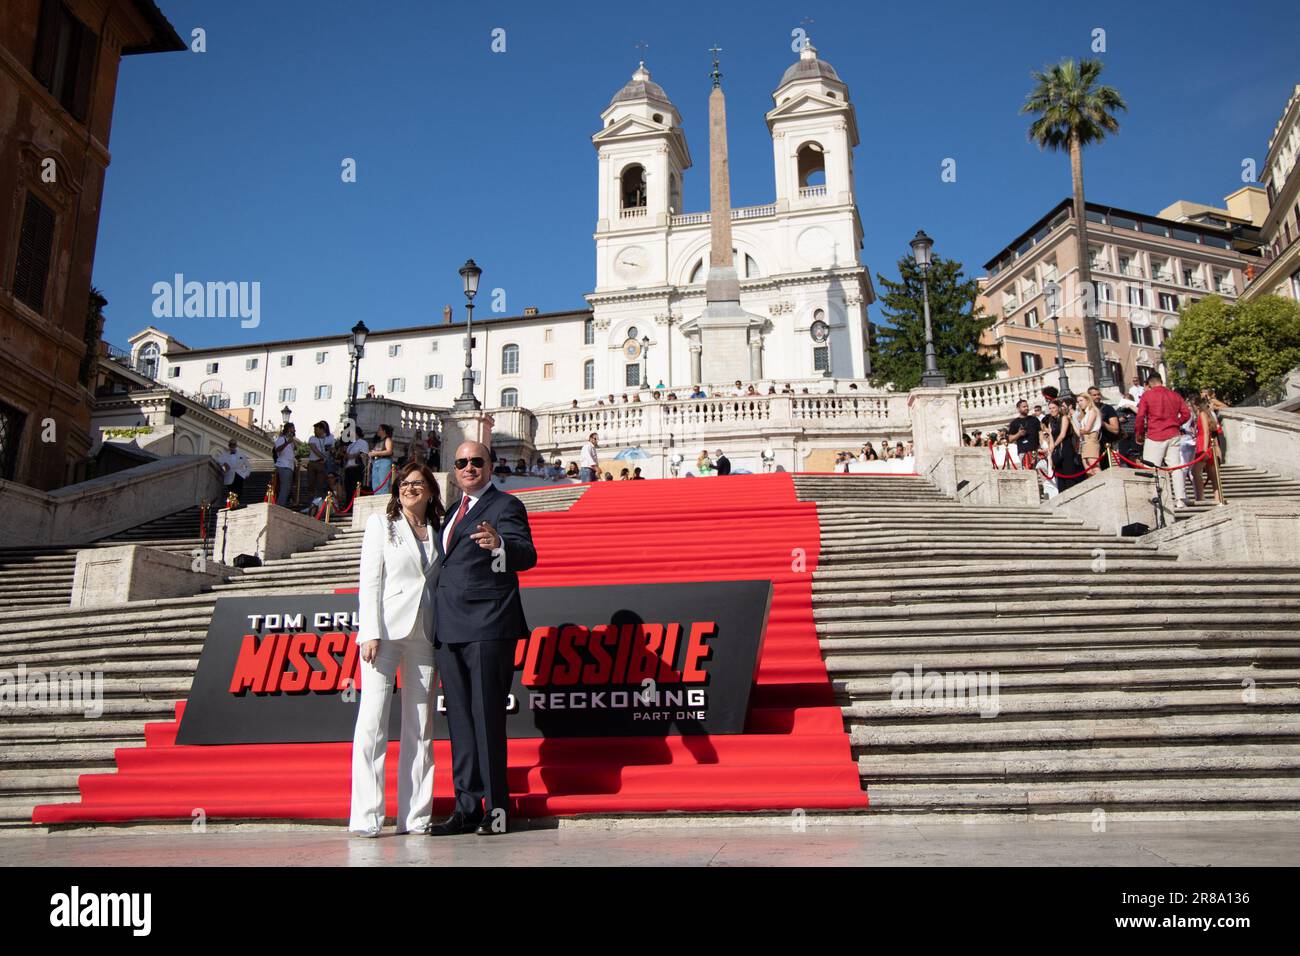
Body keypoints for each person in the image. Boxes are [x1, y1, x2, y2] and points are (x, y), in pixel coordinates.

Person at [427, 441, 537, 837]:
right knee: (459, 721)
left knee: (487, 718)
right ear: (454, 470)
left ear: (491, 466)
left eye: (477, 461)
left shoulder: (506, 506)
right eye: (462, 462)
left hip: (488, 626)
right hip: (449, 629)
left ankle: (498, 810)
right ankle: (467, 807)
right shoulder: (450, 515)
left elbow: (526, 553)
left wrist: (501, 545)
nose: (469, 467)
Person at [350, 460, 444, 837]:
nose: (410, 488)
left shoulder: (438, 529)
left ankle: (416, 816)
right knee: (372, 723)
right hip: (384, 633)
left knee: (420, 726)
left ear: (431, 490)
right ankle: (367, 817)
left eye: (418, 483)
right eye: (405, 483)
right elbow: (369, 581)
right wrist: (369, 631)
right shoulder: (381, 525)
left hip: (425, 634)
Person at [1134, 372, 1191, 514]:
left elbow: (1140, 416)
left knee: (1151, 467)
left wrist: (1139, 434)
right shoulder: (1174, 395)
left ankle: (1156, 497)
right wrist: (1175, 423)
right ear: (1160, 380)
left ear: (1149, 383)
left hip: (1155, 434)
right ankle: (1180, 498)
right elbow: (1187, 414)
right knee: (1176, 466)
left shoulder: (1147, 395)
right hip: (1173, 434)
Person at [1046, 399, 1086, 492]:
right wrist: (1051, 451)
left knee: (1069, 474)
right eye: (1050, 408)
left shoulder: (1064, 418)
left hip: (1066, 448)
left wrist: (1055, 445)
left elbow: (1063, 434)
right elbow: (1052, 438)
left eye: (1053, 408)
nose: (1052, 410)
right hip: (1057, 451)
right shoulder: (1051, 422)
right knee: (1060, 477)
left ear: (1058, 408)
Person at [1087, 386, 1120, 469]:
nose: (1097, 397)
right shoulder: (1085, 410)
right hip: (1090, 446)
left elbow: (1115, 429)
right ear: (1089, 396)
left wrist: (1101, 422)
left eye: (1098, 394)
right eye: (1094, 395)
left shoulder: (1107, 409)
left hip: (1105, 446)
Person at [1007, 400, 1041, 468]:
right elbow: (1010, 439)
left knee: (1039, 470)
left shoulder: (1034, 419)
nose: (1026, 408)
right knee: (1027, 472)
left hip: (1035, 450)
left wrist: (1042, 446)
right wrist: (1019, 434)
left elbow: (1040, 433)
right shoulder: (1014, 423)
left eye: (1027, 406)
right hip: (1023, 452)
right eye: (1024, 406)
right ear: (1018, 408)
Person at [216, 438, 250, 504]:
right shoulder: (225, 455)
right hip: (230, 475)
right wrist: (224, 464)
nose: (232, 446)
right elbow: (218, 460)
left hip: (239, 475)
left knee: (238, 491)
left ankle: (237, 503)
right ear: (229, 446)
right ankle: (231, 503)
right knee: (231, 491)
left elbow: (248, 466)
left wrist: (246, 474)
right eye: (231, 445)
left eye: (233, 445)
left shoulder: (241, 455)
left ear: (236, 446)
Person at [306, 421, 335, 502]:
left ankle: (317, 503)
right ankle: (310, 502)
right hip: (313, 463)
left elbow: (332, 450)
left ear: (322, 430)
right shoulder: (312, 438)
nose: (314, 431)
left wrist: (331, 450)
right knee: (311, 484)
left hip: (322, 464)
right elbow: (314, 449)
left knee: (320, 485)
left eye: (316, 429)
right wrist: (324, 457)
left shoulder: (330, 438)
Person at [273, 423, 298, 507]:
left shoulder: (290, 440)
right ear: (288, 429)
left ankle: (281, 504)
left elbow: (295, 450)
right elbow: (277, 449)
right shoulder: (281, 439)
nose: (295, 430)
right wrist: (287, 442)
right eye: (293, 428)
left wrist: (291, 442)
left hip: (289, 466)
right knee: (285, 487)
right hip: (284, 465)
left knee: (287, 487)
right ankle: (280, 506)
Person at [1073, 391, 1101, 465]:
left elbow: (1087, 429)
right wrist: (1071, 421)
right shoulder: (1085, 414)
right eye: (1078, 401)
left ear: (1087, 400)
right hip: (1084, 441)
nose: (1079, 403)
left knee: (1094, 467)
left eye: (1081, 400)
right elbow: (1080, 433)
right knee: (1088, 469)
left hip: (1091, 439)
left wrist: (1082, 430)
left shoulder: (1092, 411)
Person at [343, 430, 369, 503]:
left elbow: (364, 454)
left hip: (357, 467)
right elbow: (346, 456)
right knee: (348, 488)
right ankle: (348, 504)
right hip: (348, 468)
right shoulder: (350, 445)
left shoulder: (363, 442)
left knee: (355, 487)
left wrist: (352, 455)